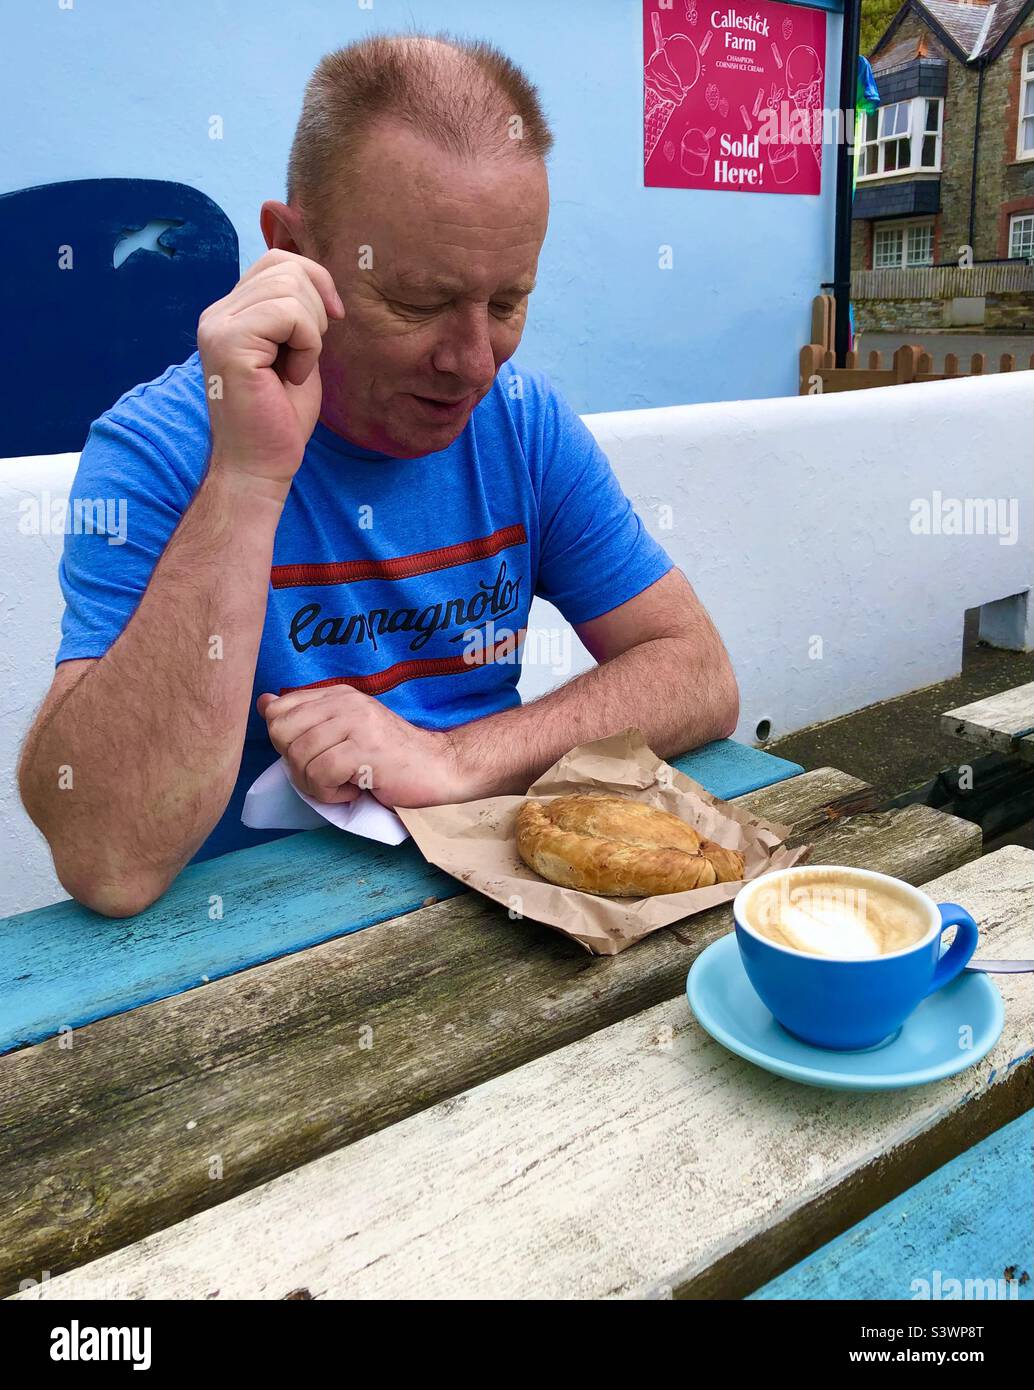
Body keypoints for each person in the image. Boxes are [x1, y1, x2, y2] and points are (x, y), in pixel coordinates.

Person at [18, 32, 739, 918]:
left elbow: (698, 672)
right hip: (242, 945)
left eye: (508, 303)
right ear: (289, 249)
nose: (474, 361)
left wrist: (456, 758)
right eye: (420, 301)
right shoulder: (161, 449)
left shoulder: (523, 424)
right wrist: (247, 480)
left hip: (493, 906)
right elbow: (109, 861)